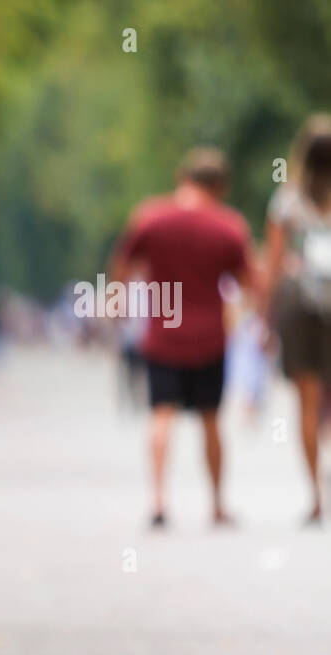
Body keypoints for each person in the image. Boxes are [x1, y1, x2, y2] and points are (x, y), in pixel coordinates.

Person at [109, 147, 255, 527]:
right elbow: (249, 282)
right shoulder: (229, 226)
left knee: (161, 414)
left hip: (162, 334)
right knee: (211, 420)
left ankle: (158, 501)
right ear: (221, 186)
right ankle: (217, 504)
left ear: (182, 178)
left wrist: (117, 303)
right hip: (210, 338)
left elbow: (123, 265)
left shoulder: (150, 218)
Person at [262, 114, 331, 523]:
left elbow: (272, 264)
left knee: (307, 402)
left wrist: (264, 319)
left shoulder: (287, 200)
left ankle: (316, 497)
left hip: (299, 305)